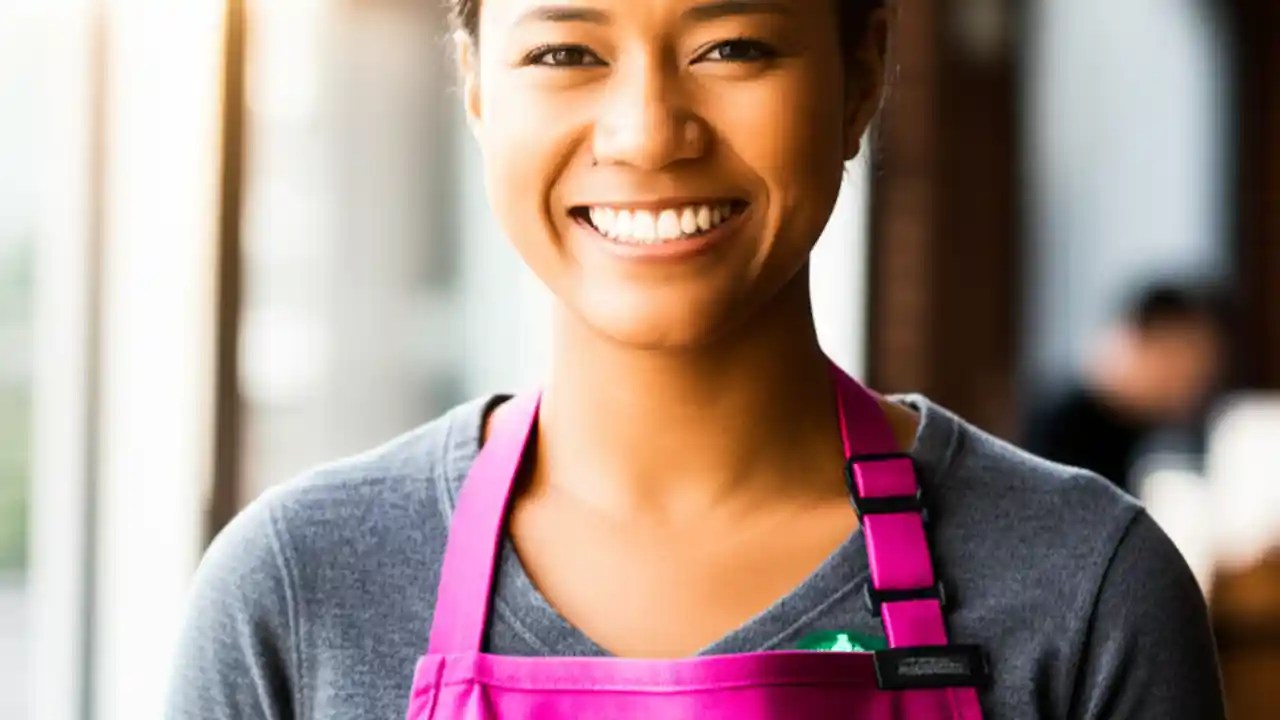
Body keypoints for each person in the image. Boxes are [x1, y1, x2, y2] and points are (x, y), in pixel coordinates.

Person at [166, 2, 1225, 718]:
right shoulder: (295, 591)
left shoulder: (1089, 591)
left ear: (861, 78)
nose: (645, 133)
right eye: (564, 50)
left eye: (731, 46)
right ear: (477, 88)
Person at [1024, 282, 1226, 495]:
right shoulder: (1062, 427)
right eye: (1183, 360)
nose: (1193, 385)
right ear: (1147, 342)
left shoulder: (1168, 433)